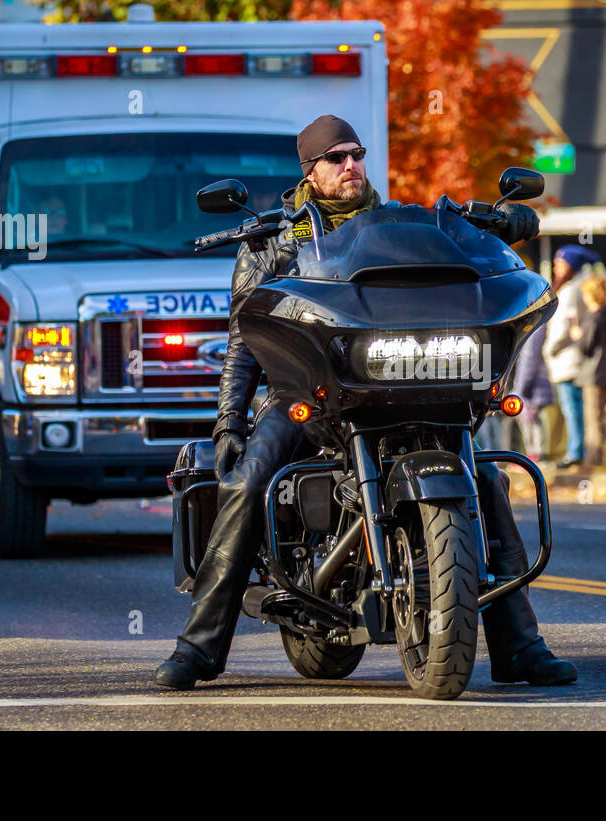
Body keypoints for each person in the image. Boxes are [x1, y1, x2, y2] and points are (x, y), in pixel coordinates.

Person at [155, 114, 576, 690]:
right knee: (248, 481)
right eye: (336, 158)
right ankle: (198, 647)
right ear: (311, 171)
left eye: (355, 154)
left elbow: (463, 259)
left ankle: (521, 647)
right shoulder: (274, 239)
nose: (350, 165)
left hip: (401, 382)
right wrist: (229, 421)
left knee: (491, 485)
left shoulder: (399, 224)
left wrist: (503, 222)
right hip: (307, 394)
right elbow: (245, 340)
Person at [543, 244, 597, 469]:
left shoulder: (571, 290)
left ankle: (575, 452)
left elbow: (564, 325)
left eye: (559, 263)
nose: (555, 267)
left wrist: (550, 348)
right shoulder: (572, 288)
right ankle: (574, 450)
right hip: (566, 357)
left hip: (566, 358)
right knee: (571, 407)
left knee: (571, 408)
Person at [577, 275, 606, 467]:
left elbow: (586, 346)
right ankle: (603, 457)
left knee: (593, 417)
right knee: (604, 417)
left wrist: (577, 336)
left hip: (594, 371)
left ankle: (594, 459)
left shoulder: (593, 318)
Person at [512, 324, 555, 462]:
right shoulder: (540, 327)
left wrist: (520, 388)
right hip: (536, 382)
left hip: (533, 384)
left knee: (532, 421)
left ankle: (536, 455)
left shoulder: (534, 329)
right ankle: (536, 454)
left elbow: (529, 358)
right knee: (533, 419)